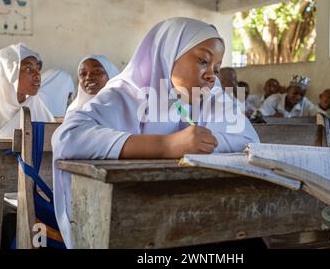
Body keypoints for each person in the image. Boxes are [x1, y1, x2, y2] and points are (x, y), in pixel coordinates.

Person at [52, 17, 259, 248]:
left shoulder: (209, 94)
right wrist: (168, 145)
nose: (211, 75)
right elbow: (68, 136)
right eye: (203, 61)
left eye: (217, 68)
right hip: (131, 223)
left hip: (189, 215)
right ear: (168, 53)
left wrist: (201, 143)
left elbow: (250, 140)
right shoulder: (125, 94)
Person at [0, 43, 54, 248]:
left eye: (37, 69)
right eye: (28, 69)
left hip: (34, 190)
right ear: (6, 74)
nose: (37, 75)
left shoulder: (37, 106)